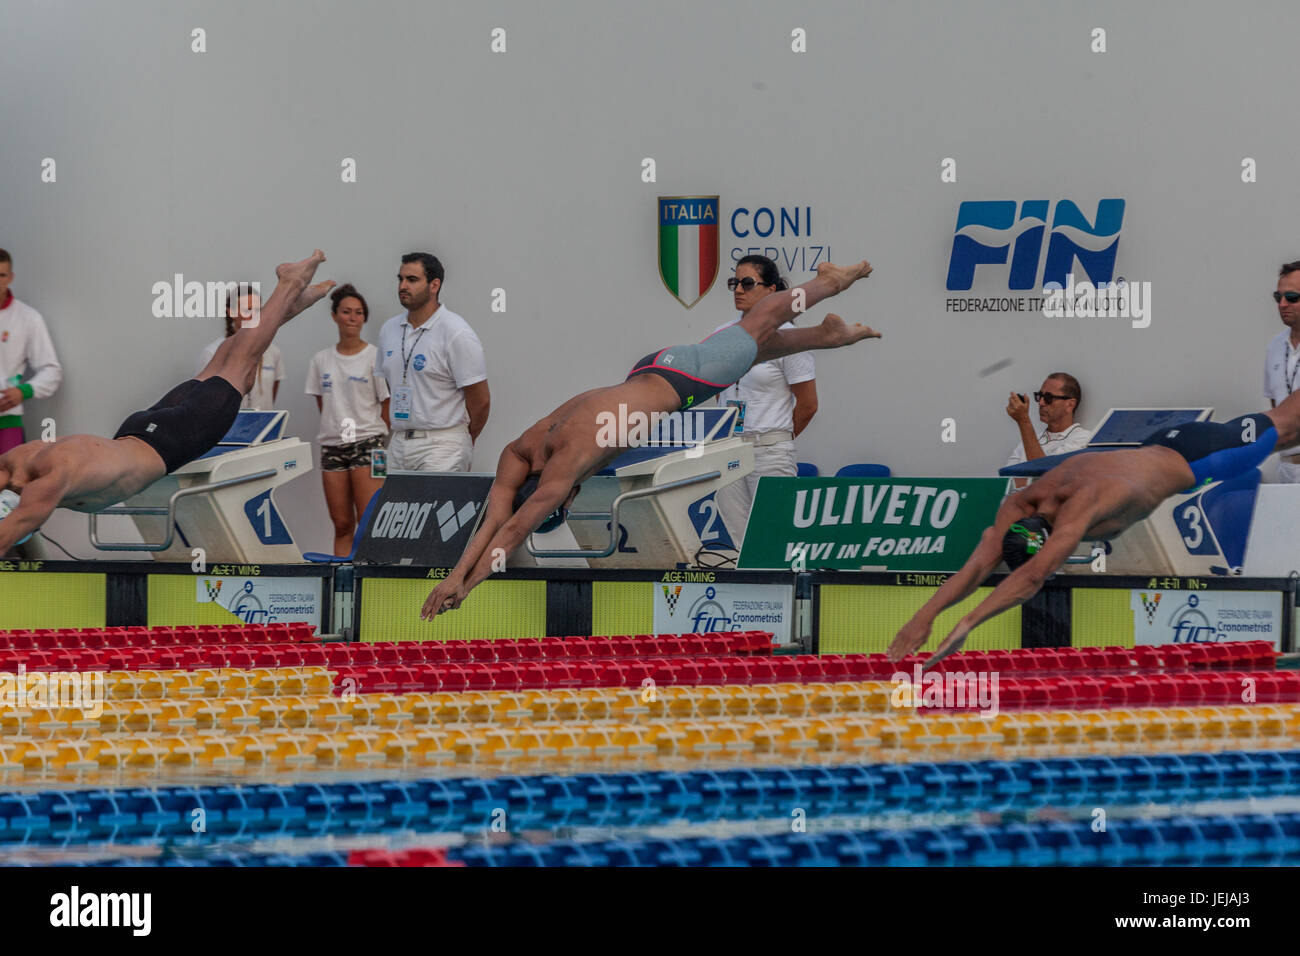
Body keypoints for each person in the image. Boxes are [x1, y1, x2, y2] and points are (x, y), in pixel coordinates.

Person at [420, 259, 879, 620]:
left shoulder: (562, 471)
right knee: (744, 348)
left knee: (755, 327)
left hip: (678, 385)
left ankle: (828, 283)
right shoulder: (521, 448)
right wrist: (456, 575)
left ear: (553, 496)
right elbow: (495, 518)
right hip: (650, 367)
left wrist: (465, 586)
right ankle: (824, 336)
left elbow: (514, 528)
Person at [886, 394, 1300, 667]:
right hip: (1166, 445)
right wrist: (924, 617)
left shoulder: (1077, 511)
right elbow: (977, 565)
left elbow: (1031, 578)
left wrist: (967, 624)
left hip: (1208, 457)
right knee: (1286, 432)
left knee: (1285, 424)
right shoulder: (1021, 503)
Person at [0, 252, 333, 552]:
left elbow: (13, 529)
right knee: (225, 359)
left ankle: (288, 284)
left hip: (168, 441)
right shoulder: (18, 459)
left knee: (239, 364)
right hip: (140, 427)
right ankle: (290, 304)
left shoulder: (49, 482)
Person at [711, 255, 818, 550]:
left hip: (770, 452)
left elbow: (808, 405)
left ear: (771, 290)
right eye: (734, 283)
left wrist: (775, 439)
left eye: (747, 283)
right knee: (738, 543)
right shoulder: (723, 335)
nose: (738, 290)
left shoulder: (790, 338)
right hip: (729, 451)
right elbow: (719, 390)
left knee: (775, 541)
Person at [374, 253, 489, 472]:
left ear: (434, 285)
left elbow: (480, 400)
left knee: (437, 506)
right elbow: (390, 387)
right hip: (399, 442)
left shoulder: (456, 331)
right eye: (400, 279)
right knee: (395, 506)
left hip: (442, 445)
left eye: (412, 279)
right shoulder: (388, 330)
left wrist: (463, 436)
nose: (403, 286)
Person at [306, 283, 390, 556]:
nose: (352, 318)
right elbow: (323, 402)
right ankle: (342, 582)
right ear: (335, 316)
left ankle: (368, 579)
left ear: (364, 318)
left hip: (369, 443)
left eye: (358, 313)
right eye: (346, 312)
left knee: (368, 519)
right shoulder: (321, 360)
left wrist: (380, 440)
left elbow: (386, 402)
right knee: (341, 523)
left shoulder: (375, 356)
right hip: (333, 445)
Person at [0, 249, 64, 455]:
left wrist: (24, 391)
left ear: (10, 277)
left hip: (7, 420)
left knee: (8, 484)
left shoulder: (28, 318)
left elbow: (52, 371)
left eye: (1, 275)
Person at [196, 286, 285, 411]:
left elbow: (271, 392)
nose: (254, 315)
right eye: (247, 310)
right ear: (231, 312)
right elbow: (203, 398)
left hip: (264, 426)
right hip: (229, 428)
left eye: (258, 310)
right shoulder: (213, 352)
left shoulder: (273, 352)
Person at [1003, 372, 1091, 491]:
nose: (1041, 403)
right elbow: (1007, 483)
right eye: (1040, 395)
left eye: (1049, 398)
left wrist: (1024, 422)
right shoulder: (1028, 442)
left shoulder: (1084, 440)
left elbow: (1045, 480)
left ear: (1070, 404)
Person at [1264, 260, 1300, 482]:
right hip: (1286, 468)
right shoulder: (1275, 346)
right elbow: (1276, 410)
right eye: (1278, 297)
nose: (1282, 304)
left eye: (1293, 297)